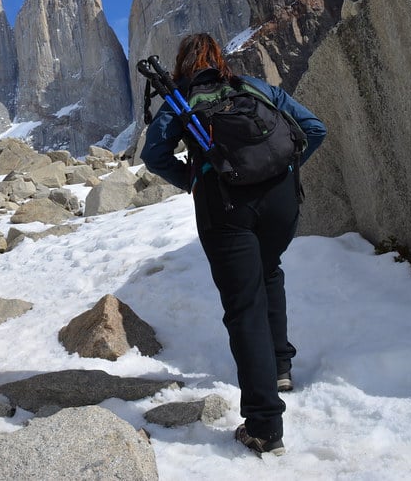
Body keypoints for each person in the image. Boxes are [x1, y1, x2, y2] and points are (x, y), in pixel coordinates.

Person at [140, 32, 326, 456]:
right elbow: (314, 129)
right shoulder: (253, 87)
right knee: (269, 271)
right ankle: (280, 367)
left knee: (244, 307)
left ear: (181, 64)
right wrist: (281, 170)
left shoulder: (181, 100)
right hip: (281, 203)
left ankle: (264, 427)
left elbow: (154, 156)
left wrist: (192, 178)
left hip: (224, 207)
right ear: (219, 58)